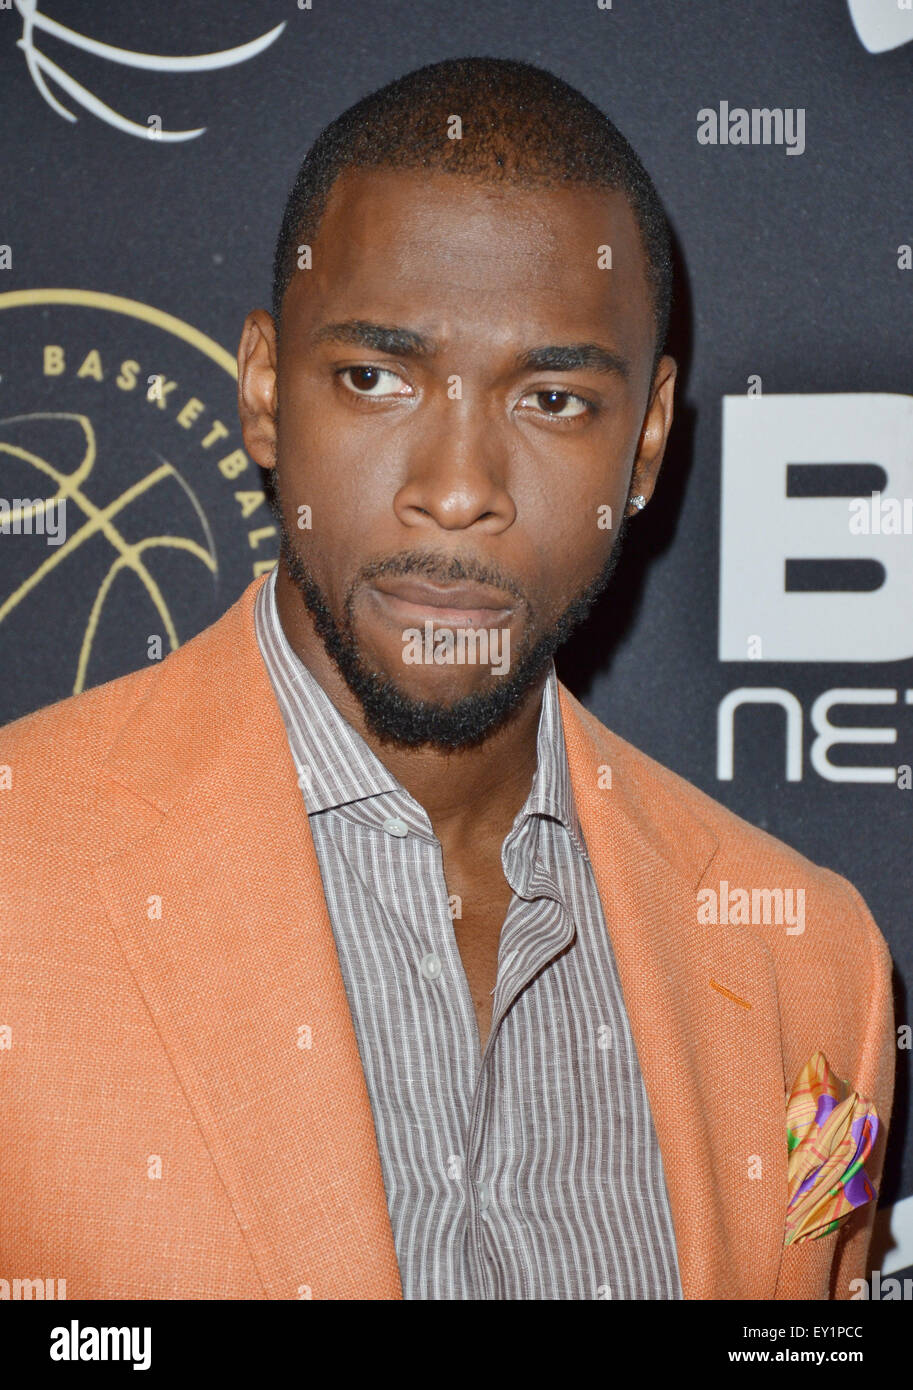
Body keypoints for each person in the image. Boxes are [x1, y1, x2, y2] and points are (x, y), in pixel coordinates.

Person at [0, 56, 894, 1301]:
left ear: (645, 443)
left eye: (551, 397)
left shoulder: (817, 971)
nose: (459, 483)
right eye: (376, 378)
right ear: (263, 392)